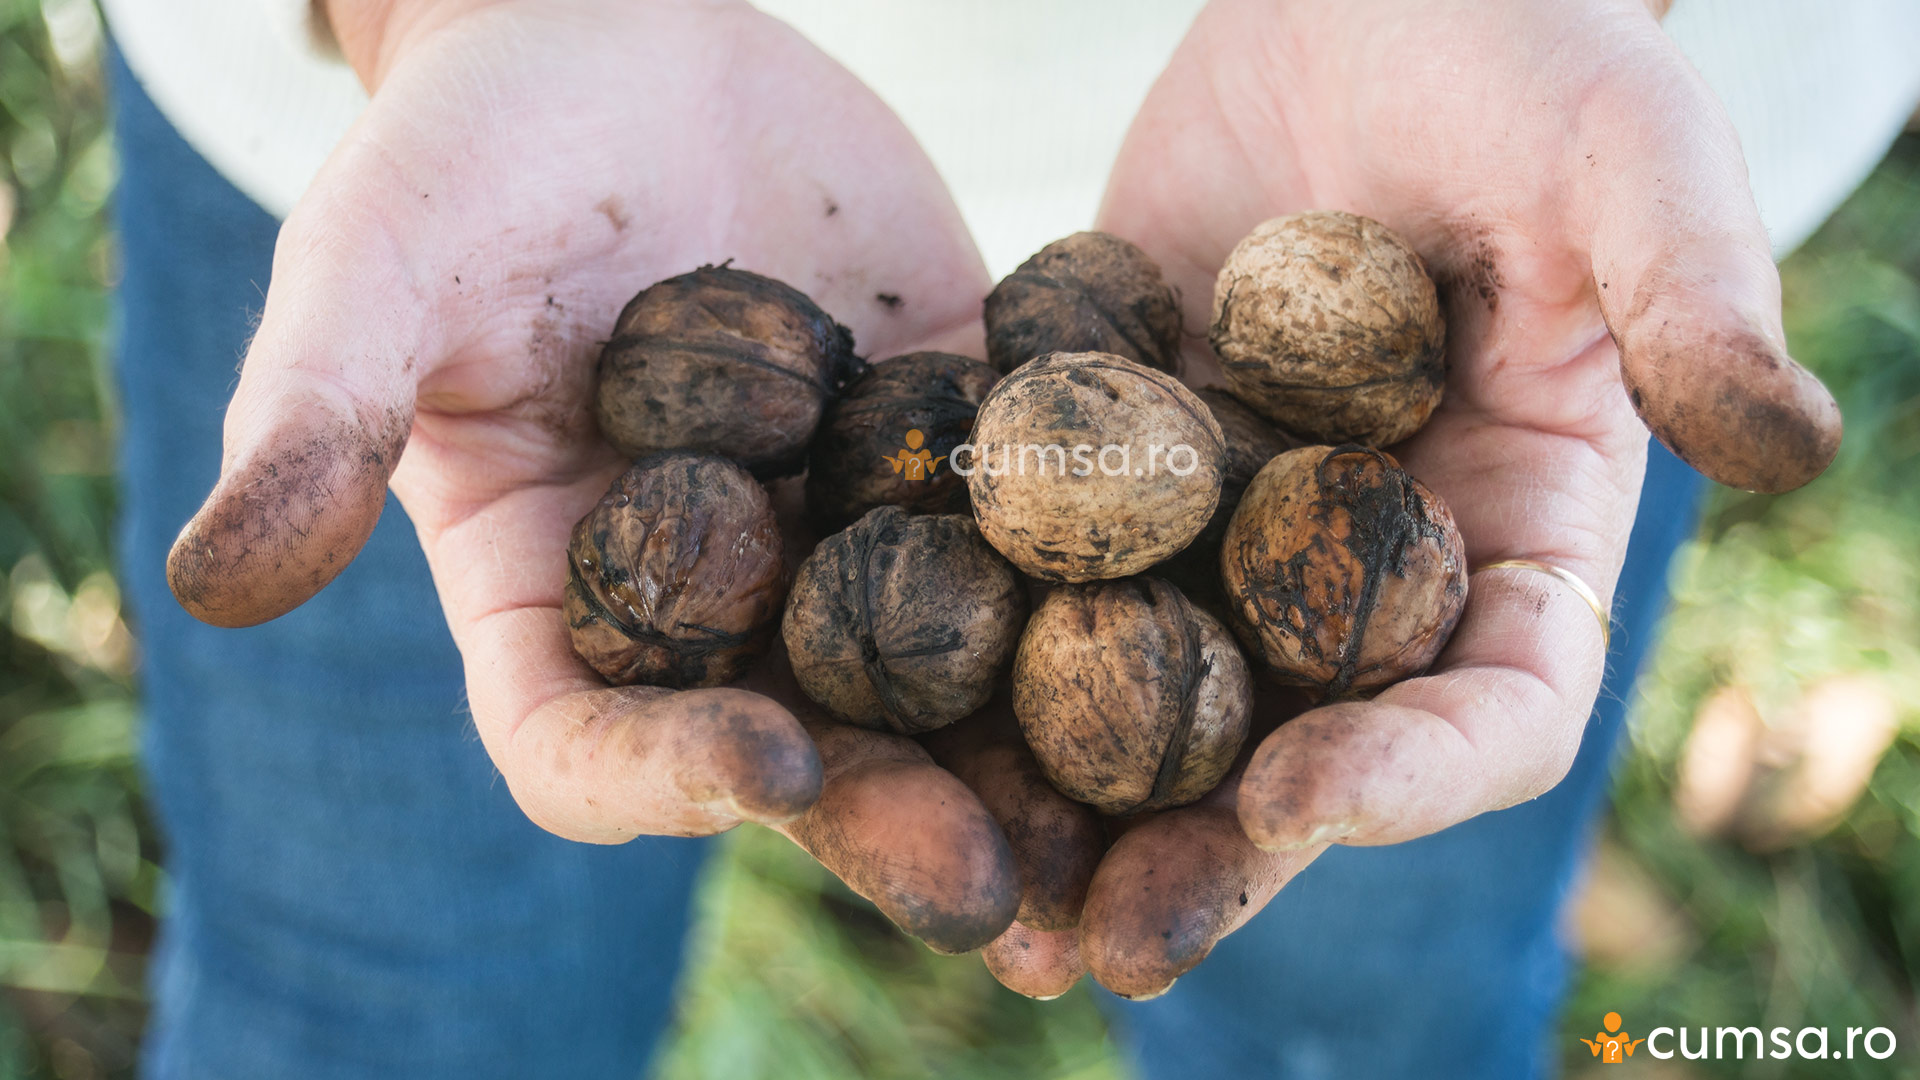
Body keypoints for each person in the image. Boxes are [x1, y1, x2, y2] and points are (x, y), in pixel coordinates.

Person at [98, 0, 1920, 1076]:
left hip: (1513, 185)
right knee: (382, 990)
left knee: (1370, 995)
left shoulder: (1371, 420)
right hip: (515, 186)